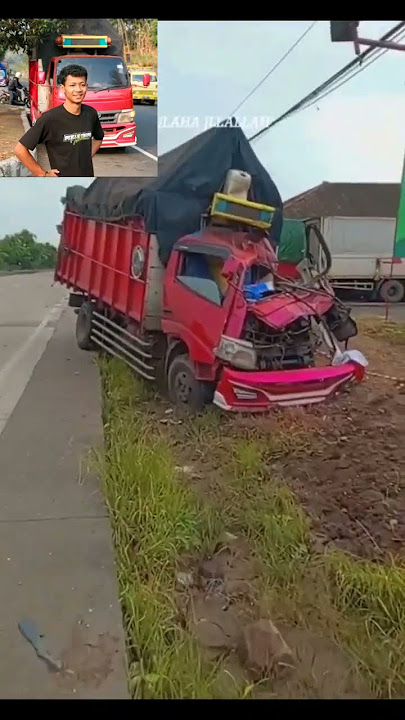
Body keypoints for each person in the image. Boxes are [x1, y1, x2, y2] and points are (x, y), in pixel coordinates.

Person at [13, 63, 104, 177]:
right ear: (63, 88)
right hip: (61, 184)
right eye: (72, 85)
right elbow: (20, 149)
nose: (78, 89)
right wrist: (43, 174)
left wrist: (86, 157)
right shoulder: (50, 118)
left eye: (82, 85)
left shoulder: (90, 113)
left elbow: (99, 137)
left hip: (87, 182)